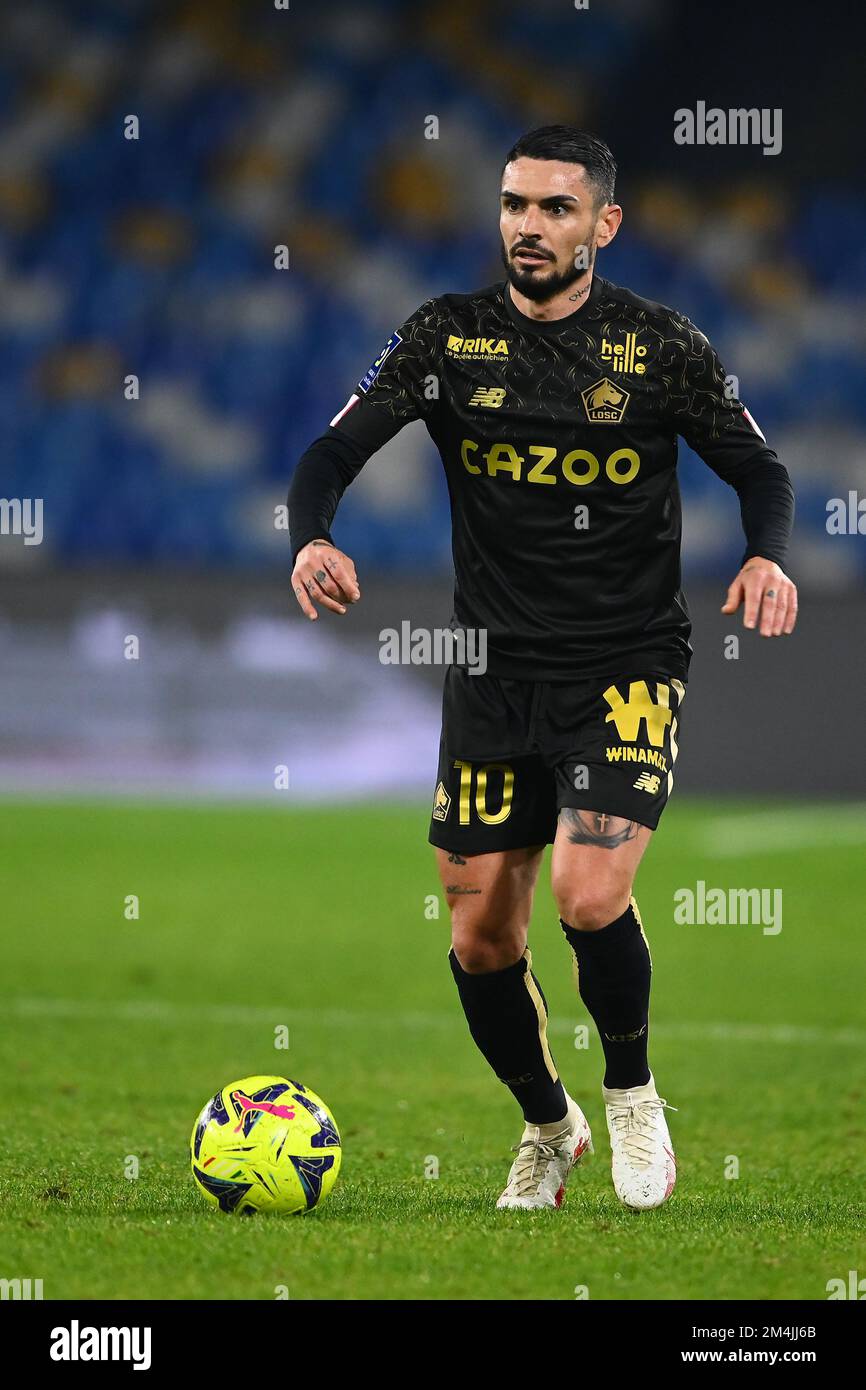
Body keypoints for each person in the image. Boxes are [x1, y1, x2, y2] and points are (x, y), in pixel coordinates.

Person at [288, 125, 796, 1211]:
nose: (527, 224)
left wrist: (763, 555)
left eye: (554, 208)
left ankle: (630, 1096)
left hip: (622, 664)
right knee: (479, 938)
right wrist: (313, 535)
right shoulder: (445, 338)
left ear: (602, 225)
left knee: (586, 888)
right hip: (489, 671)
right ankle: (547, 1124)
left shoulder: (658, 347)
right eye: (515, 204)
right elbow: (330, 451)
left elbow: (756, 468)